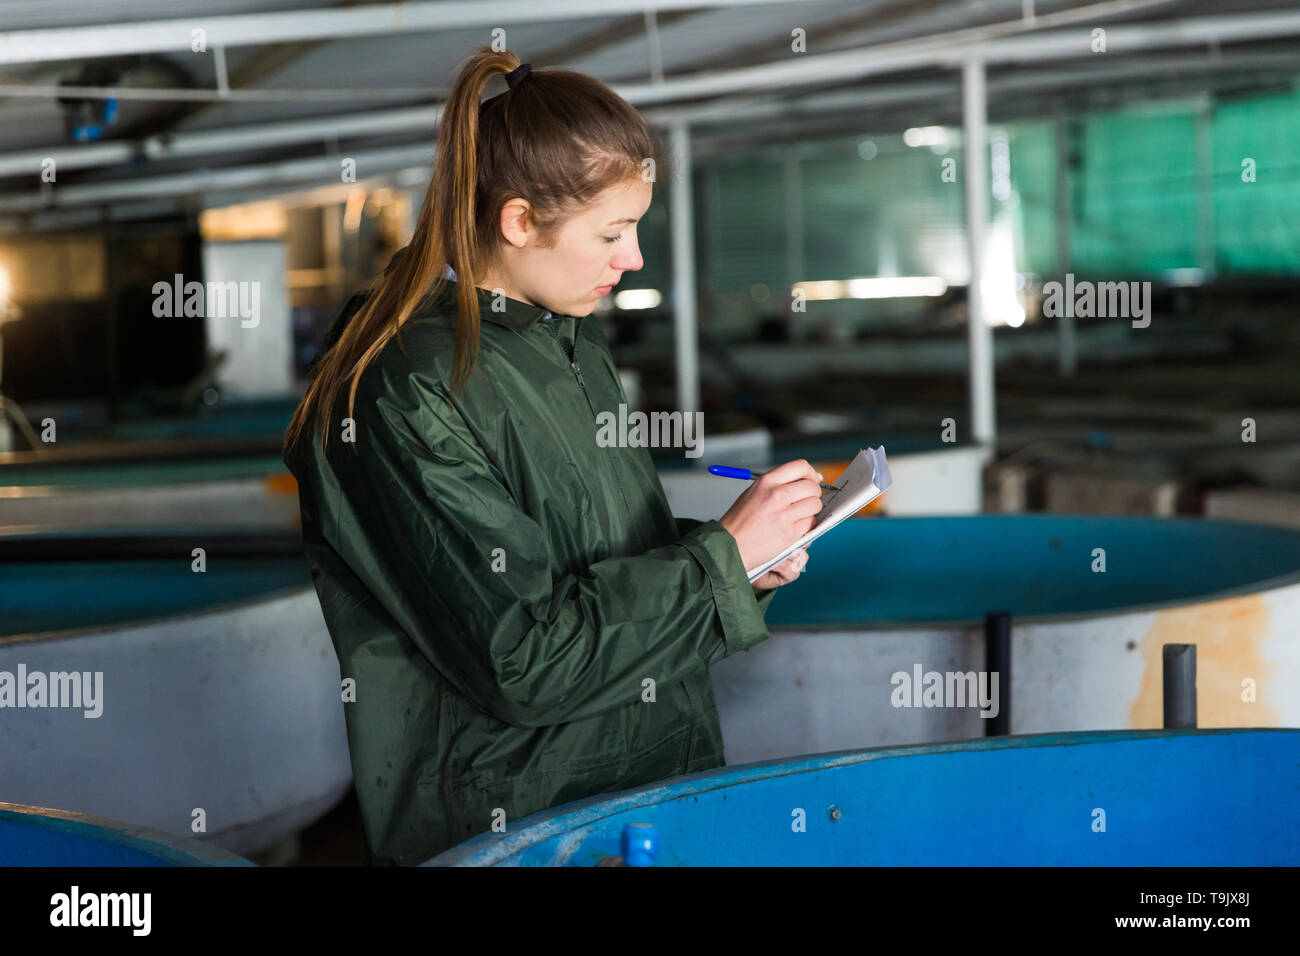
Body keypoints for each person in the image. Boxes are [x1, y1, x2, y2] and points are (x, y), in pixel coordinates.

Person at [282, 48, 822, 866]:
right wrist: (717, 563)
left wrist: (742, 557)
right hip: (520, 826)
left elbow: (588, 547)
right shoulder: (403, 388)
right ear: (519, 221)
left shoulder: (565, 338)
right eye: (612, 232)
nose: (632, 258)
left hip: (646, 785)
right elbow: (522, 655)